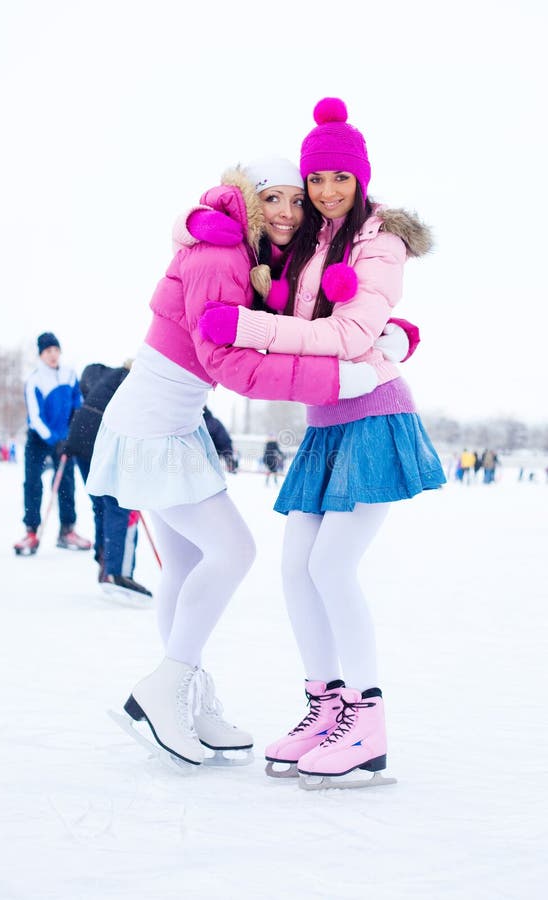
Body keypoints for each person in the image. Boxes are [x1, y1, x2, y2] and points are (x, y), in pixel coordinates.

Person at [85, 157, 390, 770]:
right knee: (233, 552)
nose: (285, 211)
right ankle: (164, 688)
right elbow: (230, 364)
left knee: (188, 562)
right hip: (153, 429)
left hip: (169, 425)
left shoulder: (235, 249)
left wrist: (392, 328)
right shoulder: (218, 253)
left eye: (295, 201)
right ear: (248, 202)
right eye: (271, 198)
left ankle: (186, 697)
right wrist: (339, 379)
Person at [199, 97, 446, 787]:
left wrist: (247, 328)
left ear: (360, 178)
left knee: (333, 567)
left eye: (340, 178)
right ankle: (325, 704)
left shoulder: (379, 241)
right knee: (295, 568)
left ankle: (367, 722)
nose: (327, 191)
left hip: (374, 416)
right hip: (325, 421)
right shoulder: (311, 245)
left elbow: (348, 336)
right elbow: (296, 313)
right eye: (317, 180)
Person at [64, 360, 152, 603]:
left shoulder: (108, 376)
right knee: (118, 503)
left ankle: (105, 564)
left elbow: (86, 383)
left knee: (101, 505)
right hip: (100, 439)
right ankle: (116, 572)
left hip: (80, 438)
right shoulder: (137, 380)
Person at [13, 332, 92, 556]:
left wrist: (71, 432)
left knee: (67, 482)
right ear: (41, 355)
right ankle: (31, 531)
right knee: (33, 482)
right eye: (48, 351)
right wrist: (53, 438)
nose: (53, 355)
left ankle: (67, 530)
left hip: (65, 438)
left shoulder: (69, 374)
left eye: (56, 350)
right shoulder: (35, 379)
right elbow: (35, 417)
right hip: (40, 438)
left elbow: (78, 403)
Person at [202, 406, 238, 473]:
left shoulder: (214, 424)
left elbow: (224, 443)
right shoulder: (182, 422)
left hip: (208, 467)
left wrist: (229, 460)